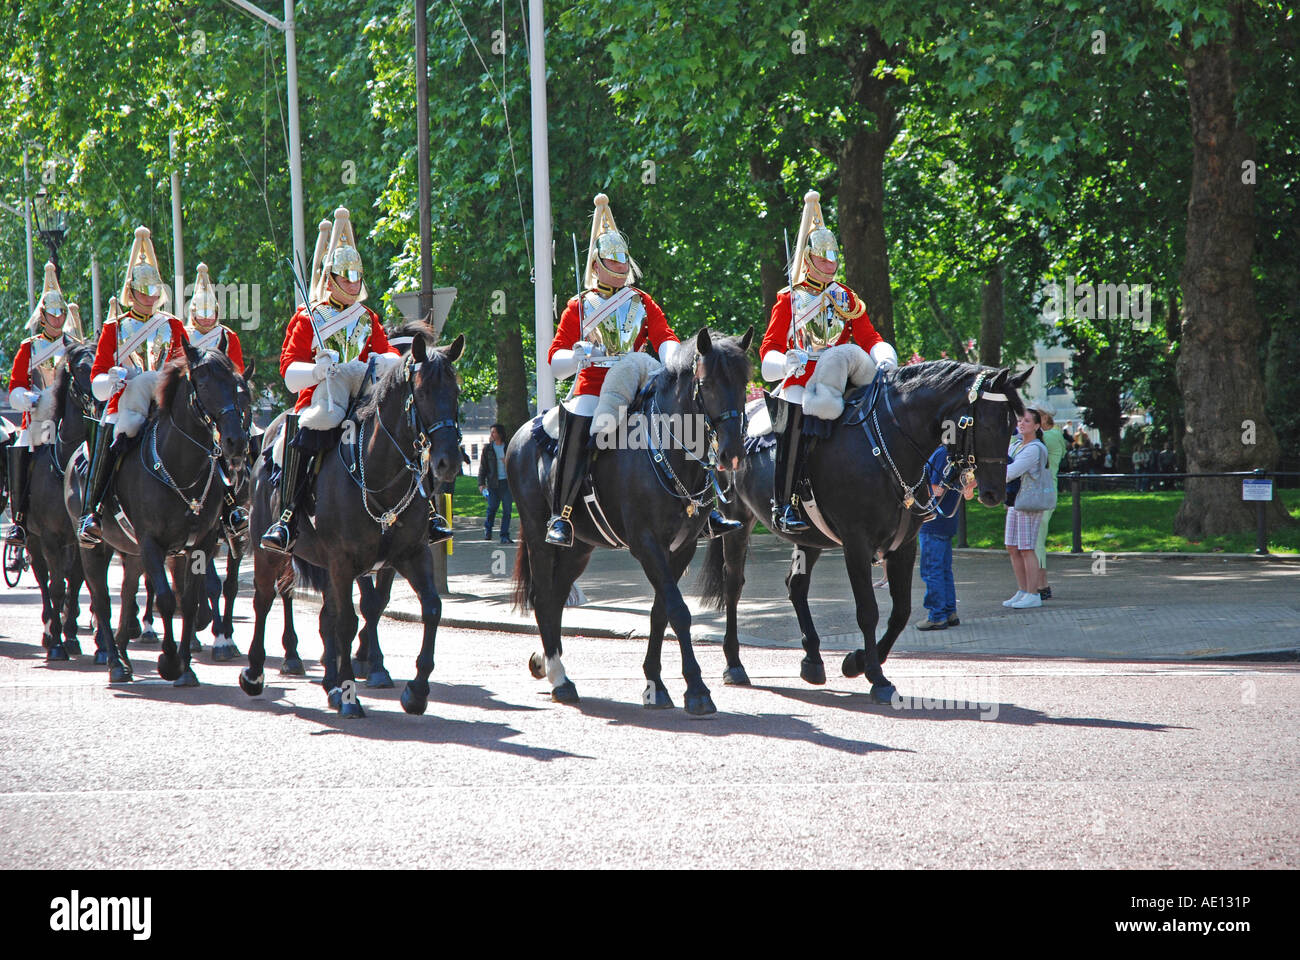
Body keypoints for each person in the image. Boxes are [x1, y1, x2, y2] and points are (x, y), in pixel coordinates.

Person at [546, 193, 739, 547]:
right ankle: (563, 515)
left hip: (640, 382)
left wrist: (677, 364)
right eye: (612, 263)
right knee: (577, 427)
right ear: (596, 265)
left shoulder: (642, 301)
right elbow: (555, 360)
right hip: (592, 387)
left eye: (623, 263)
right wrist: (577, 357)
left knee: (689, 418)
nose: (621, 269)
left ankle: (705, 505)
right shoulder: (579, 306)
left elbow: (665, 338)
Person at [260, 209, 446, 553]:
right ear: (330, 278)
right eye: (345, 275)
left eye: (356, 275)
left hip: (364, 395)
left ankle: (428, 511)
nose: (352, 282)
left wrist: (380, 359)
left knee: (409, 430)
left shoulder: (367, 317)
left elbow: (389, 355)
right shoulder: (308, 318)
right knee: (293, 439)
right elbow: (288, 373)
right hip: (322, 399)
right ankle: (286, 518)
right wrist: (317, 370)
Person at [759, 190, 897, 533]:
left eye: (834, 258)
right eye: (824, 259)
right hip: (800, 379)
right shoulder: (789, 300)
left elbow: (868, 338)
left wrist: (883, 359)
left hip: (840, 378)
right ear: (808, 259)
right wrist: (786, 361)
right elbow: (769, 349)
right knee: (791, 428)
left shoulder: (845, 298)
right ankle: (785, 502)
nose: (831, 264)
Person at [78, 227, 191, 545]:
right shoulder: (114, 328)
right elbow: (97, 378)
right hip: (125, 404)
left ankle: (226, 510)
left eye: (155, 289)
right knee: (108, 434)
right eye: (144, 290)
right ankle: (94, 511)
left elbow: (183, 365)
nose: (150, 295)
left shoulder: (172, 325)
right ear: (132, 291)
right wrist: (110, 380)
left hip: (164, 404)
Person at [6, 262, 82, 546]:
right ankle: (20, 519)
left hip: (67, 420)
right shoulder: (29, 347)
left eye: (61, 313)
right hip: (37, 421)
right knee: (21, 452)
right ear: (43, 316)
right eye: (53, 314)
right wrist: (27, 398)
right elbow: (16, 386)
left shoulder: (74, 346)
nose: (58, 318)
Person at [185, 262, 249, 537]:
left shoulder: (227, 336)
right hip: (192, 403)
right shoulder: (183, 336)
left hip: (221, 405)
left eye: (212, 311)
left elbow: (236, 372)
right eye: (202, 312)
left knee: (251, 438)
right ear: (193, 313)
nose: (208, 317)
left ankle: (238, 502)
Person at [915, 445, 977, 631]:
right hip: (948, 518)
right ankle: (949, 611)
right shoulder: (960, 455)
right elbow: (970, 484)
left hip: (933, 518)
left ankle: (936, 615)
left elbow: (936, 488)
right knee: (943, 569)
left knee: (931, 569)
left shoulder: (941, 454)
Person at [1003, 408, 1051, 609]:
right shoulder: (1015, 445)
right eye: (1020, 421)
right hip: (1015, 502)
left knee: (1026, 548)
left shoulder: (1034, 448)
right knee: (1012, 547)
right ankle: (1023, 590)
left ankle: (1033, 593)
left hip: (1028, 503)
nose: (1021, 424)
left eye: (1027, 421)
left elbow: (1011, 472)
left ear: (1037, 426)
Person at [1032, 403, 1067, 600]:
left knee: (1037, 539)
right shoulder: (1052, 435)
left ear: (1044, 418)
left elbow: (1021, 444)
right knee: (1036, 538)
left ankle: (1042, 584)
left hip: (1042, 493)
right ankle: (1039, 583)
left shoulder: (1051, 436)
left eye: (1033, 416)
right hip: (1041, 492)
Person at [478, 423, 513, 544]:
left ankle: (504, 535)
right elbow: (483, 467)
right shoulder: (488, 449)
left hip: (507, 483)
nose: (491, 434)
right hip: (493, 484)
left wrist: (507, 462)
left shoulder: (508, 447)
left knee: (507, 510)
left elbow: (516, 465)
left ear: (500, 433)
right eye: (491, 432)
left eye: (494, 432)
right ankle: (488, 530)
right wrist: (481, 483)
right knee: (492, 508)